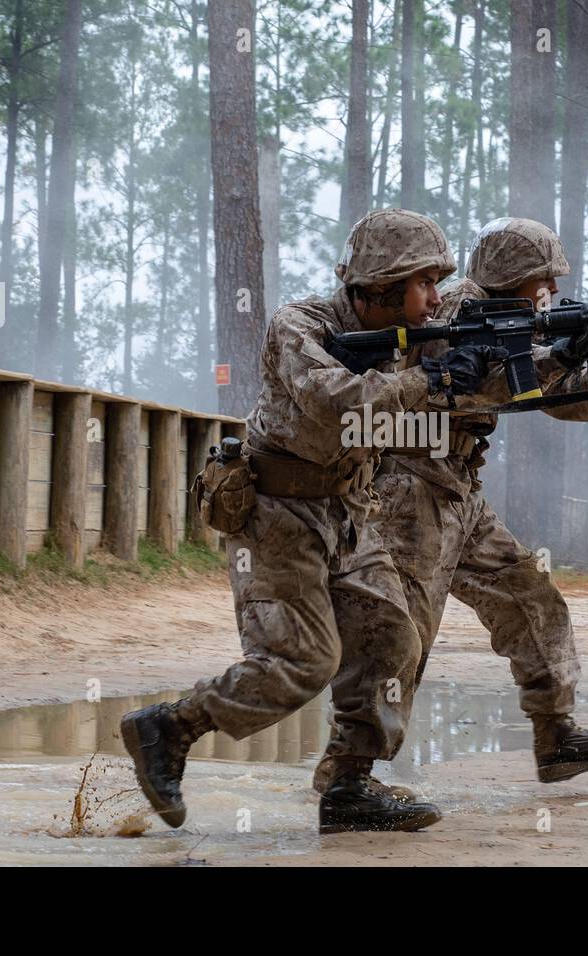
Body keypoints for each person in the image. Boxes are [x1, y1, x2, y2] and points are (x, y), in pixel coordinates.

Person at [121, 209, 502, 834]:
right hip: (277, 514)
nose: (436, 297)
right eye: (426, 282)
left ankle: (349, 785)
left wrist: (571, 353)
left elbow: (494, 376)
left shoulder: (421, 331)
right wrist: (423, 380)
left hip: (349, 512)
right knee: (300, 661)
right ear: (384, 284)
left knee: (391, 638)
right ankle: (169, 728)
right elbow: (332, 399)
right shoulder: (301, 325)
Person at [313, 217, 588, 798]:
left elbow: (566, 405)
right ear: (517, 277)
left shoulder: (519, 322)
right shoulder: (450, 315)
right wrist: (561, 352)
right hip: (409, 489)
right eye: (544, 280)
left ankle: (557, 734)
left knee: (528, 595)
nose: (552, 292)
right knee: (398, 633)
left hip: (461, 488)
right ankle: (348, 776)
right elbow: (484, 385)